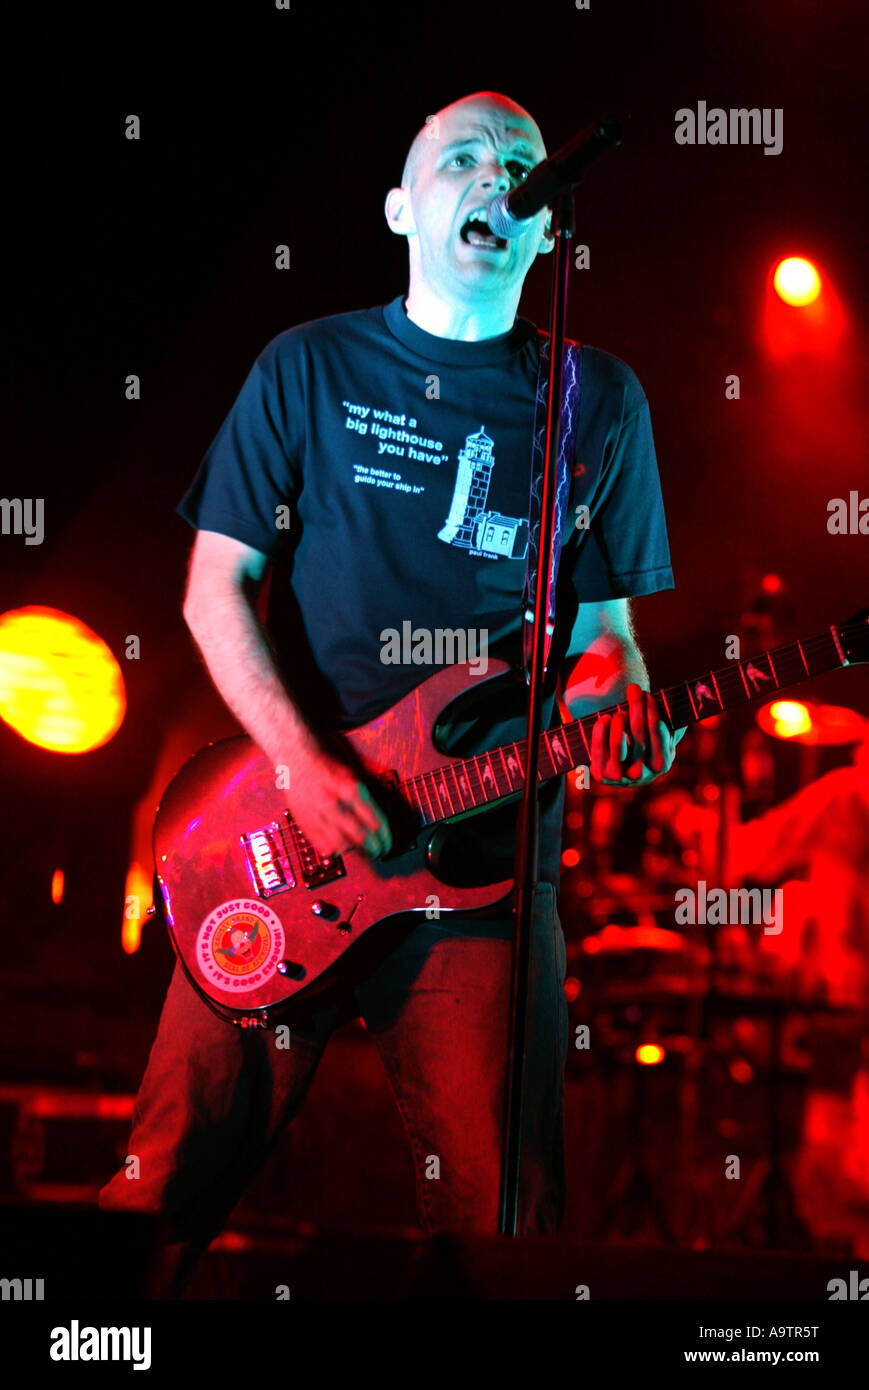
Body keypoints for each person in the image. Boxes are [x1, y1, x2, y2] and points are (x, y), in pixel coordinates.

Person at [99, 90, 682, 1296]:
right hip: (282, 838)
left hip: (480, 864)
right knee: (155, 1198)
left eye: (519, 163)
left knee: (506, 1232)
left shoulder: (597, 401)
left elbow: (603, 642)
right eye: (460, 157)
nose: (497, 175)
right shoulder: (307, 365)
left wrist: (617, 700)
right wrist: (307, 769)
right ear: (400, 206)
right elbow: (217, 591)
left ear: (543, 223)